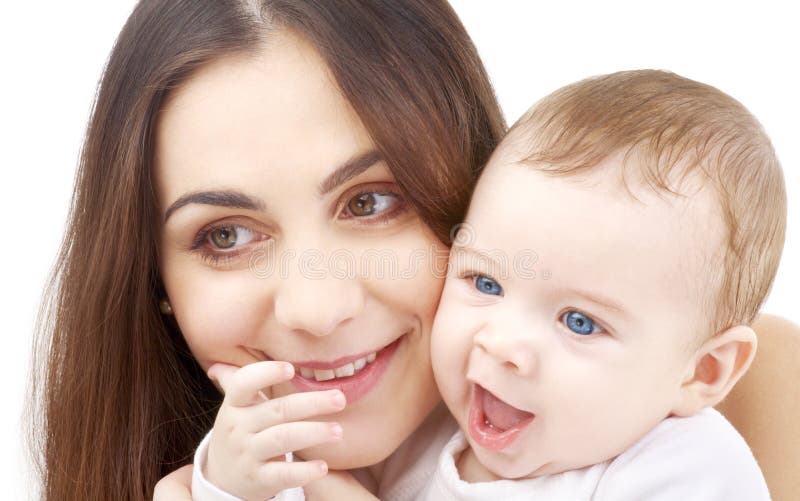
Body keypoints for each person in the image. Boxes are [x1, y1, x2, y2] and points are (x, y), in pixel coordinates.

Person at [26, 1, 799, 500]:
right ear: (152, 279)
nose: (317, 308)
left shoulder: (704, 434)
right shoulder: (433, 438)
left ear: (463, 189)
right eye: (225, 236)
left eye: (370, 201)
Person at [422, 70, 779, 499]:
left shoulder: (686, 466)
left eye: (579, 323)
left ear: (702, 370)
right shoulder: (422, 430)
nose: (501, 345)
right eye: (485, 283)